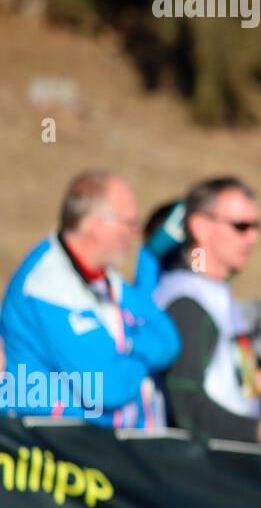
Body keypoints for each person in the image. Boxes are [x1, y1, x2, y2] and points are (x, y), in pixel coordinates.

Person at [0, 171, 179, 427]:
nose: (135, 232)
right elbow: (108, 386)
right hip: (50, 442)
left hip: (101, 440)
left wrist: (128, 348)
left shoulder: (102, 275)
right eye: (129, 223)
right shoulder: (45, 285)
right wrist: (141, 351)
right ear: (96, 225)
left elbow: (169, 339)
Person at [154, 176, 261, 454]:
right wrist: (258, 431)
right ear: (200, 226)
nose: (253, 237)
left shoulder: (214, 291)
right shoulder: (187, 301)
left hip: (229, 458)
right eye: (241, 226)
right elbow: (185, 403)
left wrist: (255, 382)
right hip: (203, 465)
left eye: (257, 227)